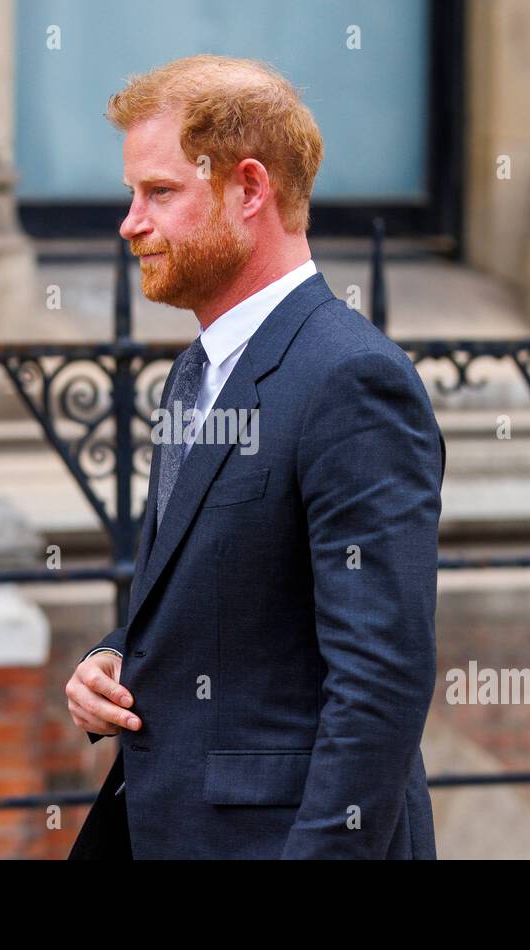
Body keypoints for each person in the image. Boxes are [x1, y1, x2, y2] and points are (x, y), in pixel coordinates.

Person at [65, 54, 445, 860]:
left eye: (159, 193)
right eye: (134, 195)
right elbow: (217, 592)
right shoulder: (193, 370)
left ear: (248, 189)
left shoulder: (353, 380)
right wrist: (113, 656)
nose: (131, 223)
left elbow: (381, 680)